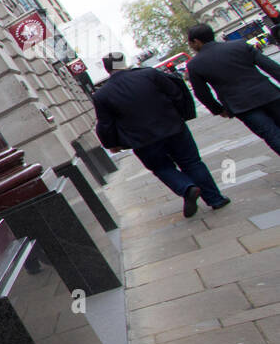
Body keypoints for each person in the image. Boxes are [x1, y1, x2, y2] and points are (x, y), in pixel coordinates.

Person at [92, 51, 229, 217]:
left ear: (107, 70)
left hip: (142, 140)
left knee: (161, 167)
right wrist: (181, 114)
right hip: (173, 127)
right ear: (124, 63)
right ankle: (215, 199)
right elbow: (176, 93)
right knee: (192, 162)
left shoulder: (102, 95)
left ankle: (186, 188)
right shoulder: (149, 74)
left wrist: (111, 144)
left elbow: (105, 123)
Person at [186, 22, 280, 155]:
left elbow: (202, 93)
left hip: (241, 106)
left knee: (272, 135)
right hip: (269, 94)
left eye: (190, 43)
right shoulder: (239, 45)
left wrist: (218, 109)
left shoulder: (194, 65)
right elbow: (270, 66)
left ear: (196, 41)